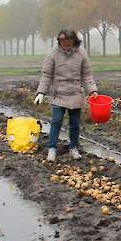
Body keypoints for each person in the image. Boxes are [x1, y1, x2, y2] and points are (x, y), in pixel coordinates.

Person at [33, 29, 98, 162]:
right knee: (56, 121)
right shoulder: (53, 54)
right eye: (62, 42)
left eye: (68, 42)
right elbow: (46, 75)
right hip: (58, 94)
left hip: (75, 94)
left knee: (74, 124)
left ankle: (74, 147)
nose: (65, 45)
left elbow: (86, 75)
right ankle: (52, 149)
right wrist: (41, 92)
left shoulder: (81, 54)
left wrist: (92, 90)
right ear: (59, 42)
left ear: (74, 41)